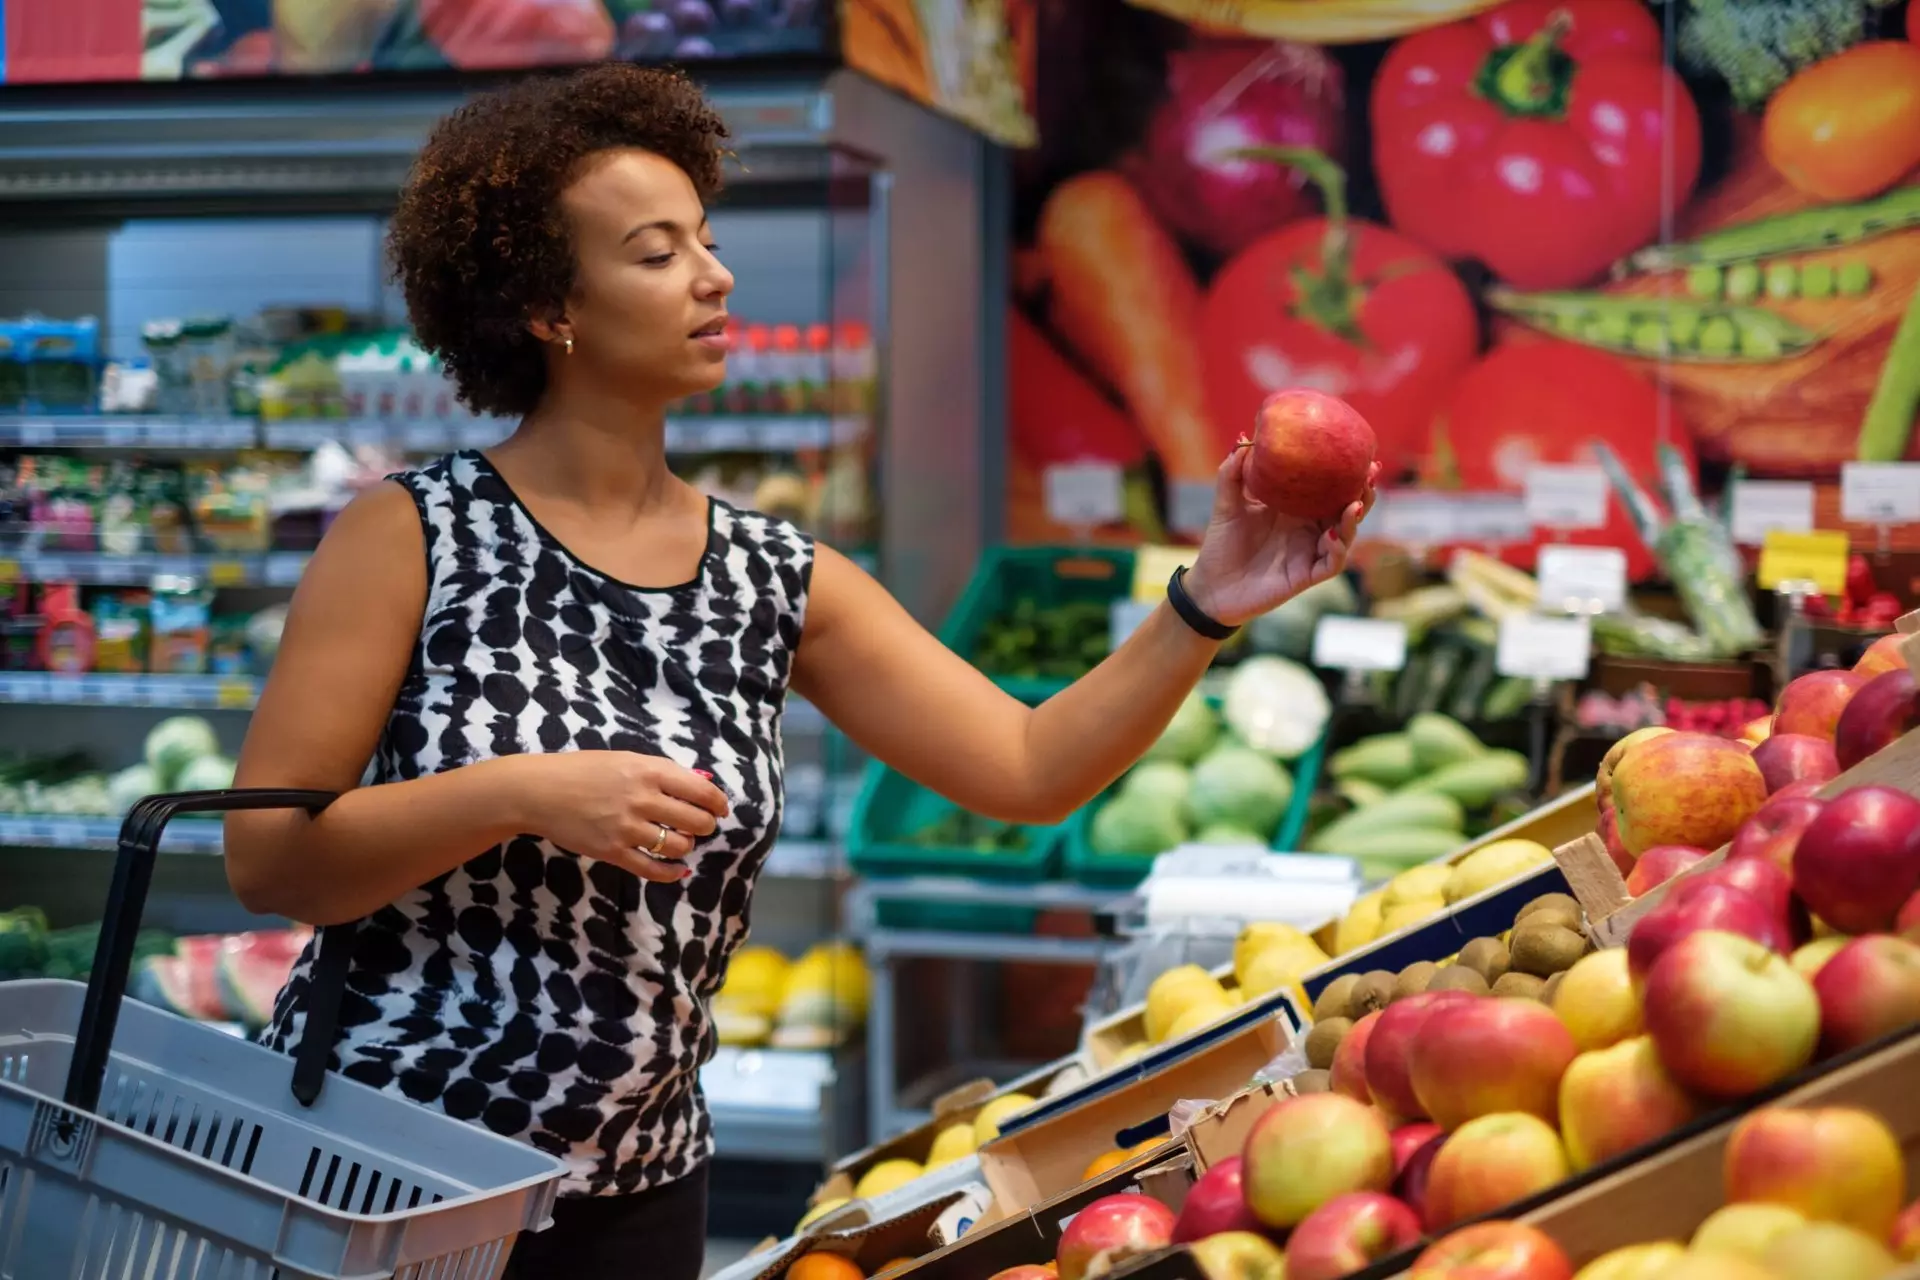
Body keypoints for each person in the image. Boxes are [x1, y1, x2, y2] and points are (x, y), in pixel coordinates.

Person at [223, 62, 1376, 1279]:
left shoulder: (774, 575)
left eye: (706, 242)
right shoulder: (414, 531)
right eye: (658, 253)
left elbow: (1030, 767)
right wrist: (523, 790)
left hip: (638, 1183)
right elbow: (271, 858)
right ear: (547, 304)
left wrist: (1203, 605)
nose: (715, 275)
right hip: (390, 1165)